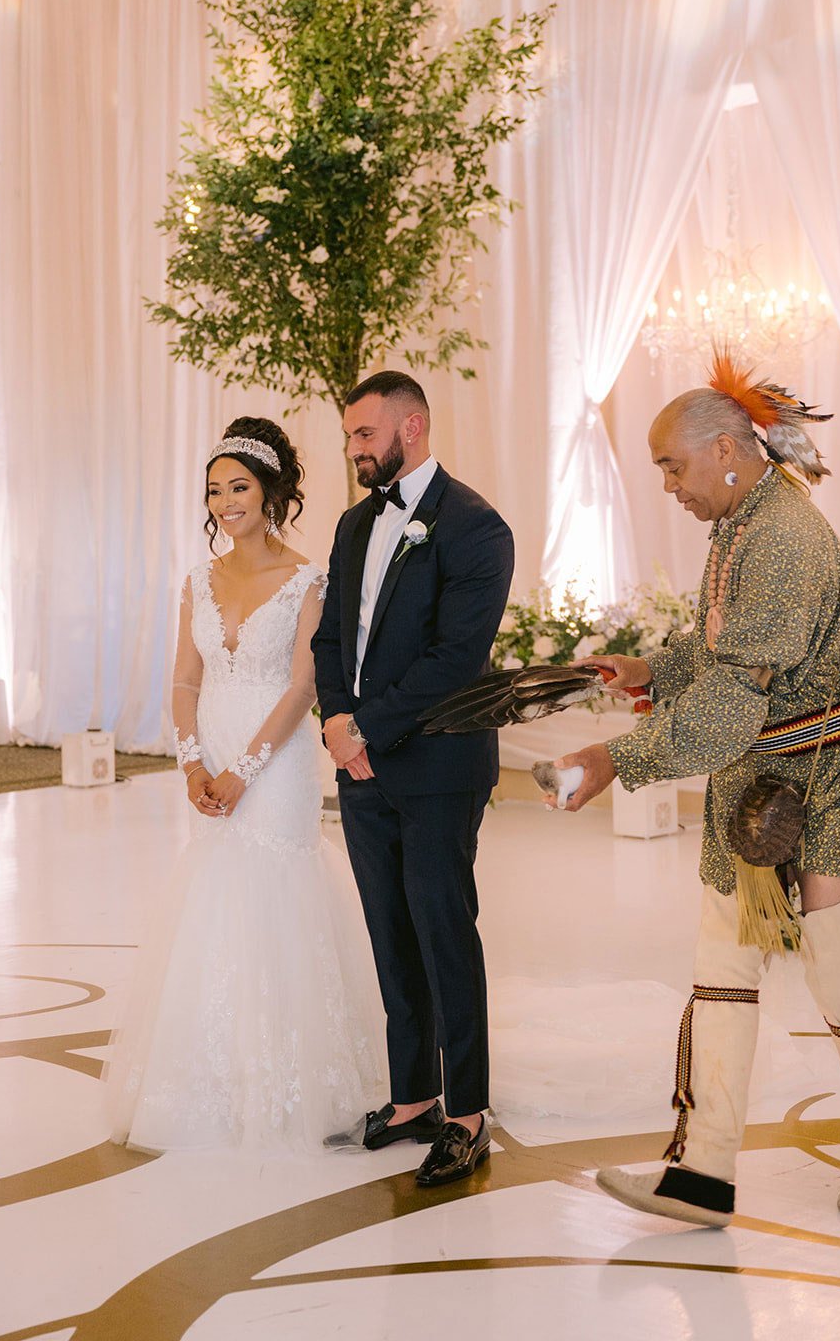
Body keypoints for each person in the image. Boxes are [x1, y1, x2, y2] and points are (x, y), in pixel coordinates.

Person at [546, 354, 840, 1227]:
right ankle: (702, 1173)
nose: (667, 487)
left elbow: (731, 698)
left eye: (671, 467)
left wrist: (620, 760)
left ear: (725, 450)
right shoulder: (737, 526)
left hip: (827, 775)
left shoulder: (782, 537)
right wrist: (652, 667)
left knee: (837, 974)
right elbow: (719, 655)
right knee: (720, 967)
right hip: (758, 778)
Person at [107, 416, 380, 1152]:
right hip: (213, 753)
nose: (226, 502)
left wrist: (242, 771)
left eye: (239, 487)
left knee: (276, 895)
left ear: (271, 493)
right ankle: (214, 1076)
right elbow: (184, 677)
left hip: (276, 760)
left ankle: (294, 1080)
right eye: (214, 491)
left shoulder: (305, 578)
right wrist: (192, 762)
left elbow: (301, 688)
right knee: (215, 897)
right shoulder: (198, 579)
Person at [312, 371, 514, 1187]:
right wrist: (335, 721)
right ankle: (411, 1098)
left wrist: (365, 728)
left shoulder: (475, 528)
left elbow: (452, 662)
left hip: (436, 763)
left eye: (365, 435)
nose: (354, 451)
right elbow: (332, 636)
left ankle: (466, 1114)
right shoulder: (354, 523)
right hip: (358, 763)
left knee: (442, 934)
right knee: (388, 933)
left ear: (412, 427)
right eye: (350, 438)